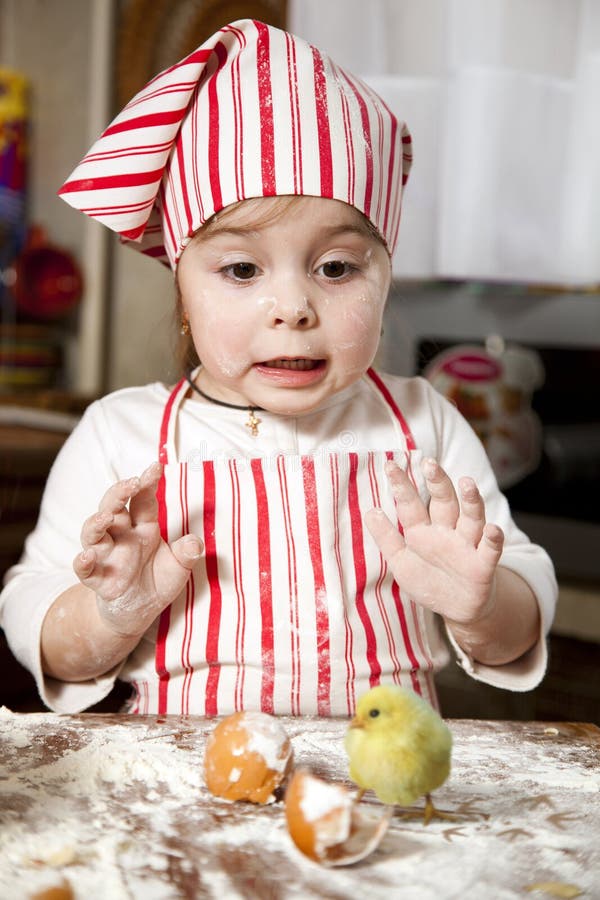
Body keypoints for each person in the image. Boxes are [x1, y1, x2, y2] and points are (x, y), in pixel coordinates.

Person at [0, 19, 556, 717]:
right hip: (183, 772)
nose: (293, 307)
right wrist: (110, 614)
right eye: (241, 269)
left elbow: (517, 622)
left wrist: (483, 605)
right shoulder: (121, 435)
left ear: (386, 278)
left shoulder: (425, 424)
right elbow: (38, 620)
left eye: (336, 268)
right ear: (182, 288)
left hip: (383, 769)